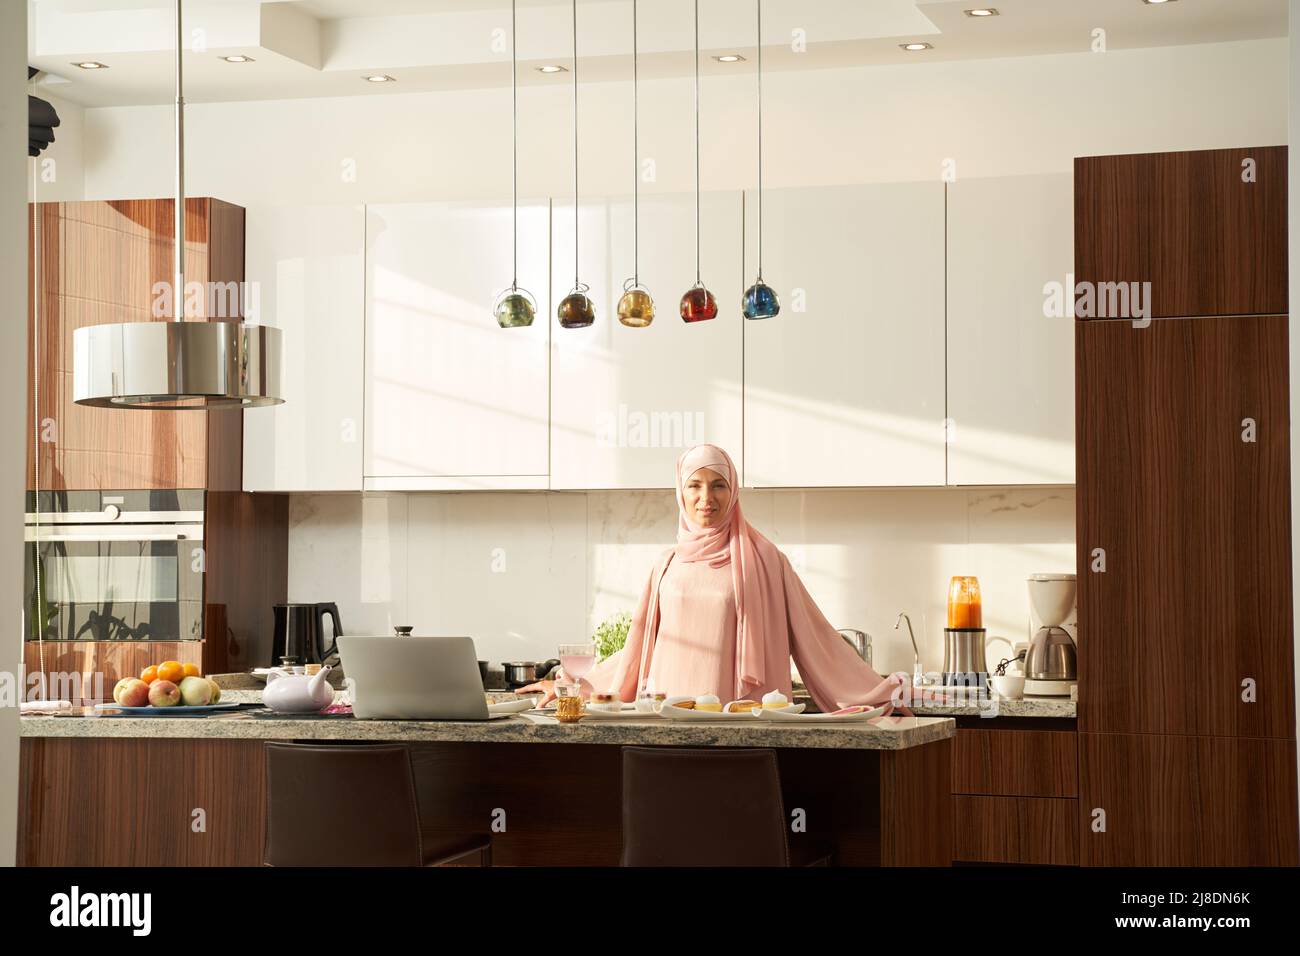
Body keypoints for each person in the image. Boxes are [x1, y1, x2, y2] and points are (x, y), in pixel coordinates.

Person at [518, 443, 914, 715]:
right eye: (694, 485)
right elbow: (640, 652)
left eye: (718, 485)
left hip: (741, 724)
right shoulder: (666, 564)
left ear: (734, 491)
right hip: (665, 724)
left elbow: (815, 636)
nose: (706, 497)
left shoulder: (766, 559)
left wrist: (880, 692)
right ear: (681, 492)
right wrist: (573, 685)